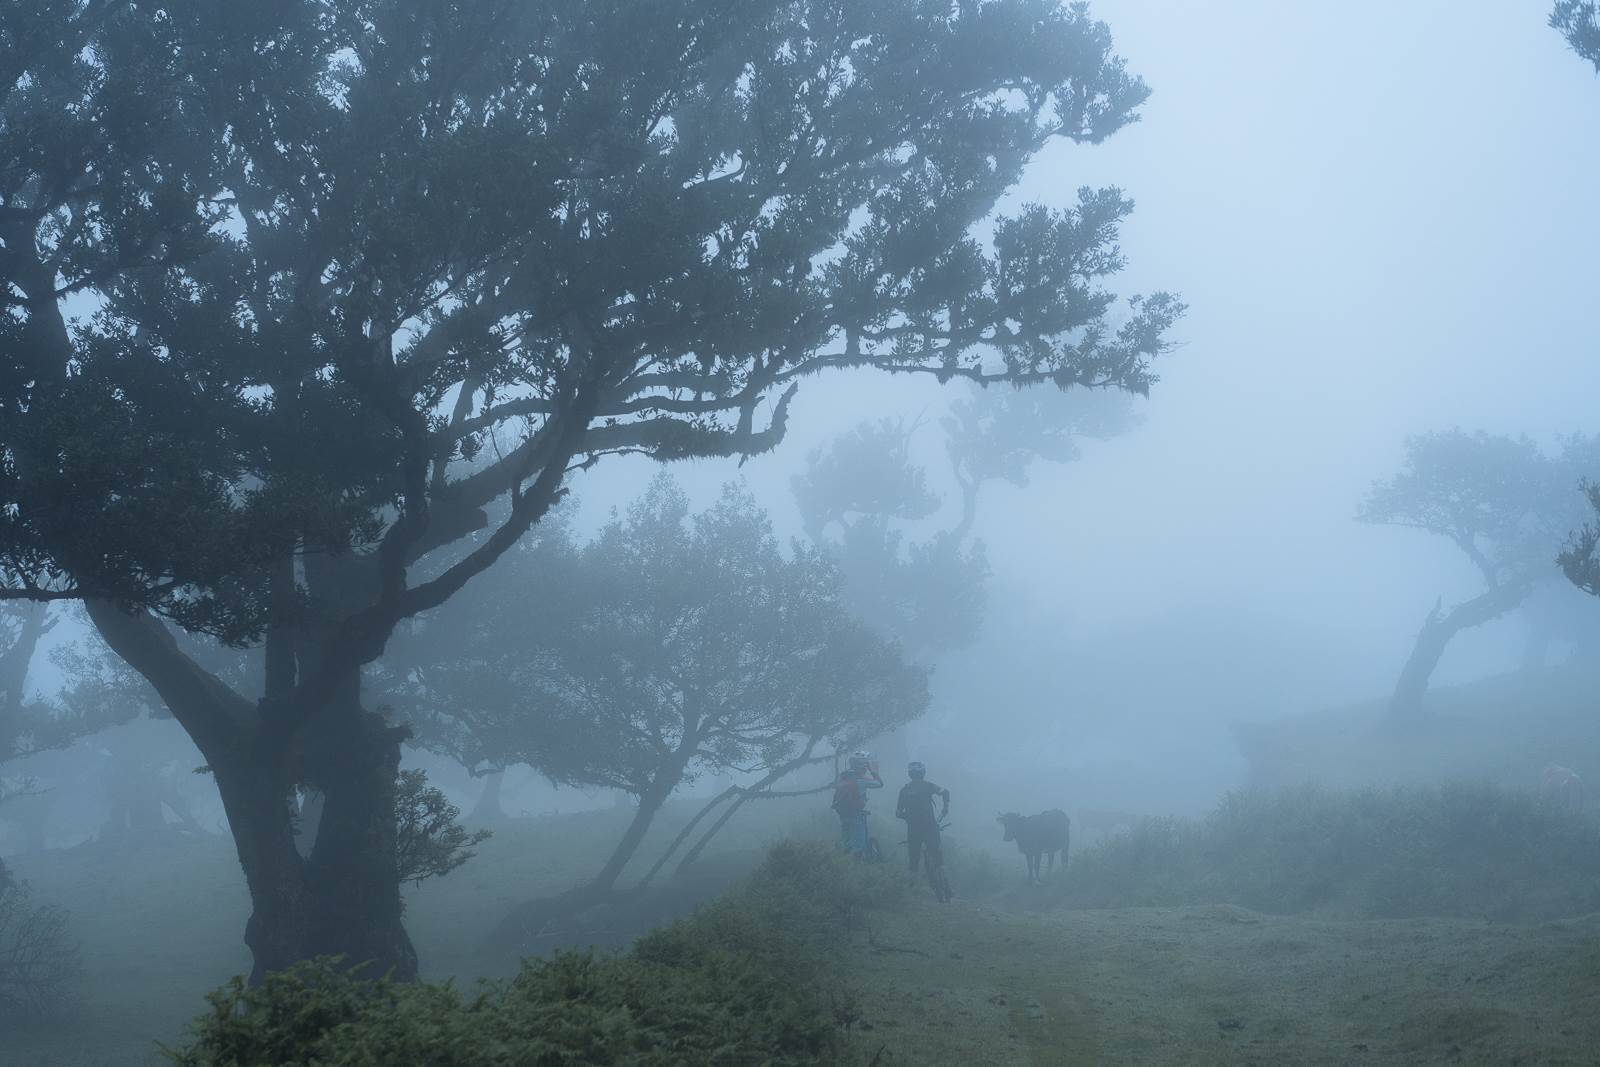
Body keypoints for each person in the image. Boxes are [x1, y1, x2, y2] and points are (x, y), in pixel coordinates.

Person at [895, 760, 951, 901]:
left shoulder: (904, 790)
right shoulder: (928, 785)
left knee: (913, 859)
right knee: (938, 856)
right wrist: (945, 808)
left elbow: (898, 813)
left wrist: (909, 817)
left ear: (910, 774)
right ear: (923, 773)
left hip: (913, 829)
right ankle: (946, 885)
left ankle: (911, 889)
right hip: (930, 826)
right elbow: (945, 792)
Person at [832, 750, 883, 857]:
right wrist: (873, 771)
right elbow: (879, 784)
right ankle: (860, 863)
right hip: (856, 814)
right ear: (863, 765)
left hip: (842, 813)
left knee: (846, 842)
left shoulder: (843, 777)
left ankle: (844, 862)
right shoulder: (861, 780)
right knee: (859, 845)